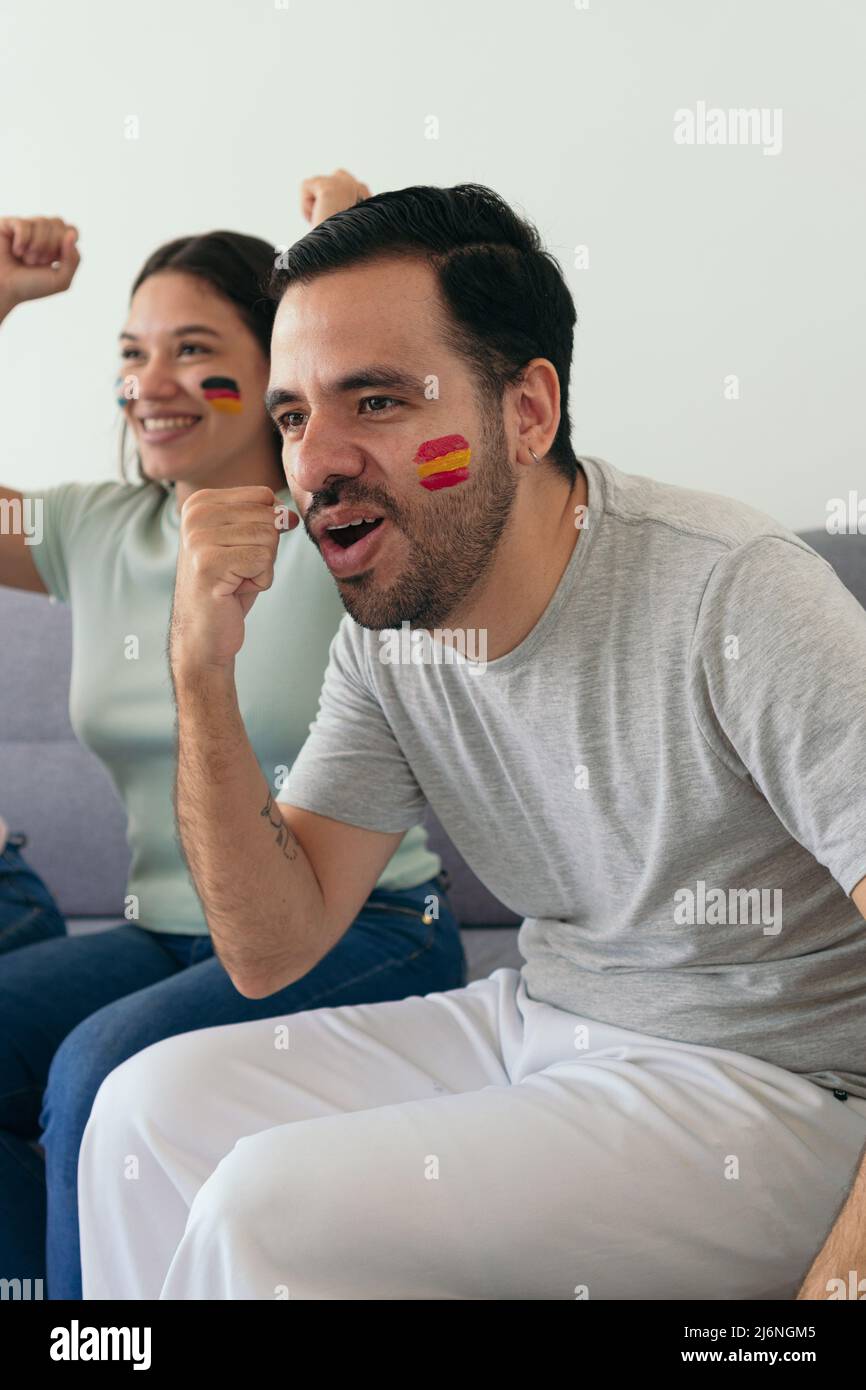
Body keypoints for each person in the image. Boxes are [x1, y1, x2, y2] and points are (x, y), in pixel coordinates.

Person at [78, 183, 866, 1300]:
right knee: (141, 1113)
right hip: (544, 1016)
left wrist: (838, 1291)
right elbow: (269, 948)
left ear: (527, 412)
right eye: (297, 415)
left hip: (771, 1085)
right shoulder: (394, 627)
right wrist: (199, 669)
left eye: (380, 401)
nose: (316, 464)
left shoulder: (728, 591)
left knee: (272, 1211)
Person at [0, 174, 466, 1300]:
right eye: (131, 354)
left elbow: (479, 436)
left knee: (99, 1065)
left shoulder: (347, 519)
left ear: (273, 379)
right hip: (165, 931)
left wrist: (373, 246)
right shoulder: (91, 528)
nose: (149, 385)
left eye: (192, 351)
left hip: (366, 928)